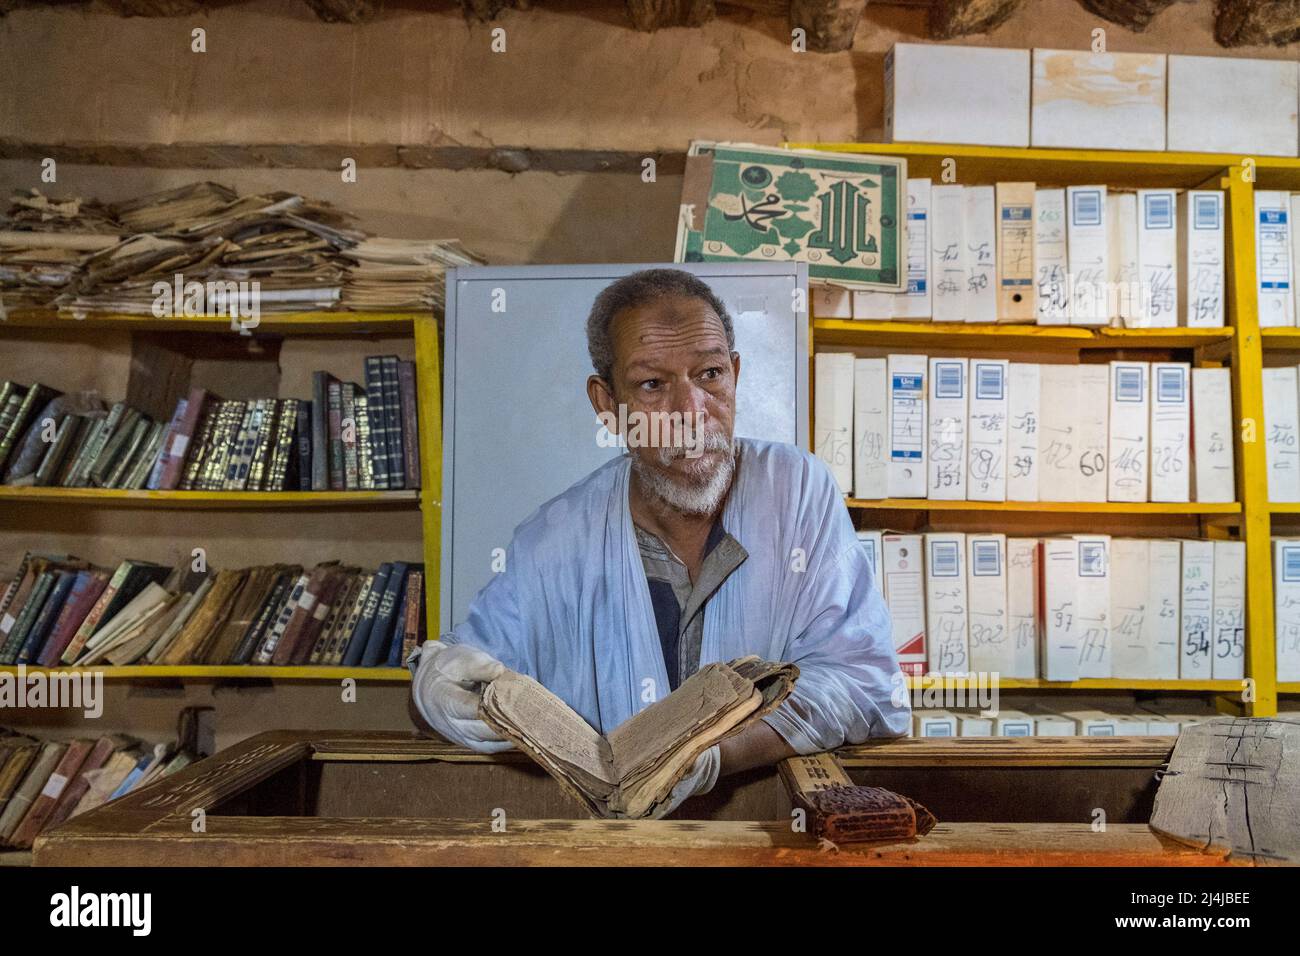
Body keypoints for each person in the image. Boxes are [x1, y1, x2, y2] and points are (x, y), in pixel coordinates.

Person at [409, 268, 909, 817]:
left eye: (711, 374)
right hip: (610, 852)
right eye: (652, 384)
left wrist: (710, 756)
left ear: (735, 375)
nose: (691, 413)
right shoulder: (557, 537)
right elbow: (475, 667)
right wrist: (435, 688)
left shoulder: (796, 491)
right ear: (606, 404)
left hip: (766, 838)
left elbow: (861, 679)